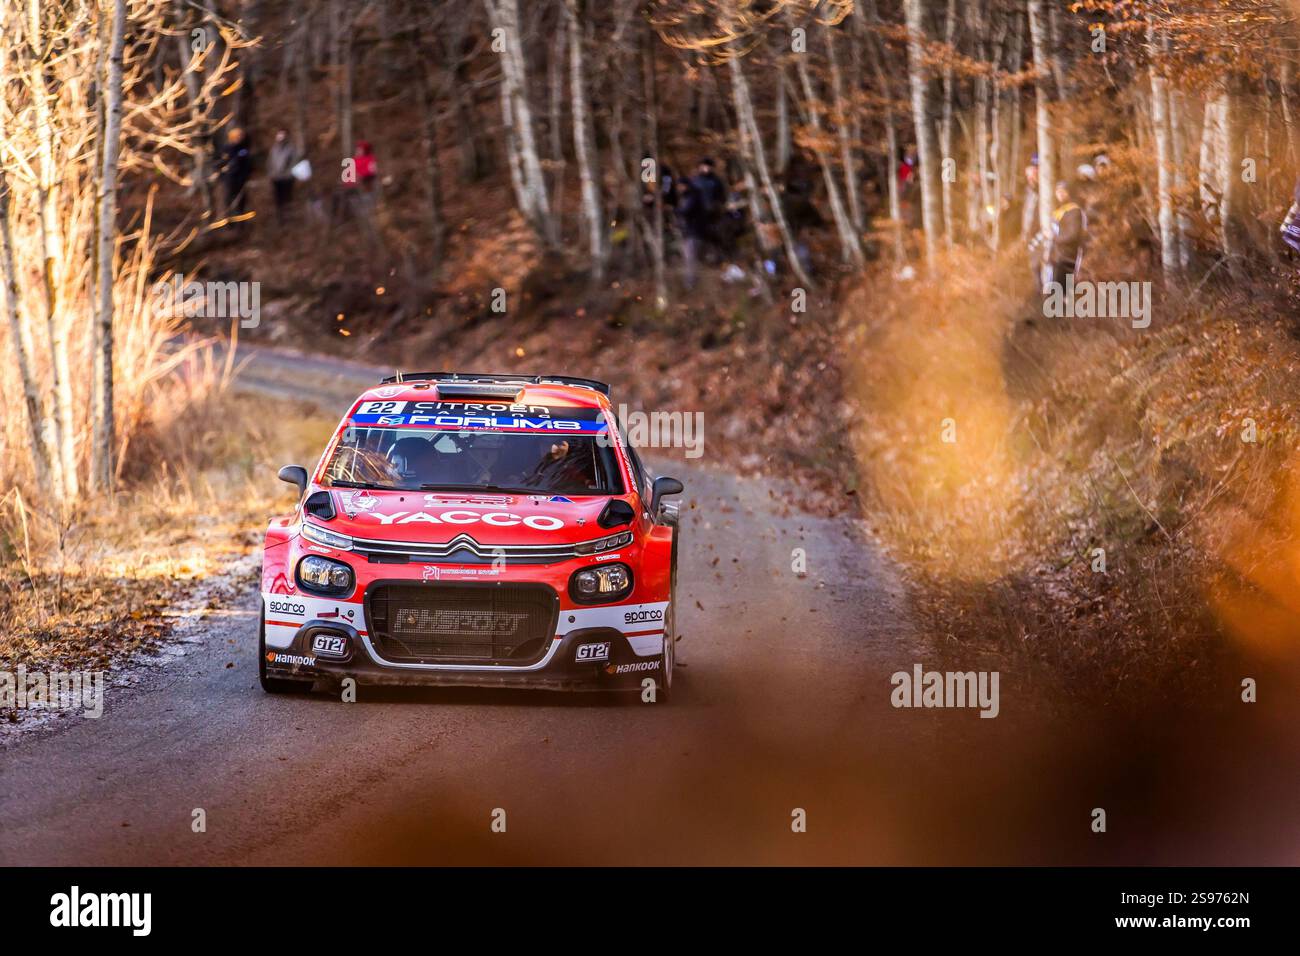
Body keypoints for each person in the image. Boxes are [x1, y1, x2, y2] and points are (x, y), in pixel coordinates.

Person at [1045, 180, 1086, 288]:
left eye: (1063, 191)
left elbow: (1073, 235)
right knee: (1053, 293)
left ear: (1069, 193)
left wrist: (1054, 238)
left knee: (1061, 293)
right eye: (1058, 191)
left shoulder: (1074, 211)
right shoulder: (1059, 211)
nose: (1060, 194)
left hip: (1067, 257)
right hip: (1056, 256)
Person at [674, 176, 709, 290]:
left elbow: (686, 211)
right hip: (688, 232)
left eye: (681, 186)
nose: (679, 188)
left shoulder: (693, 196)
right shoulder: (685, 197)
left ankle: (692, 283)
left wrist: (674, 210)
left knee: (691, 257)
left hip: (694, 232)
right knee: (689, 257)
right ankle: (694, 281)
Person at [218, 127, 253, 217]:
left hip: (241, 180)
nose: (239, 138)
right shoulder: (226, 149)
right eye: (237, 136)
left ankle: (241, 222)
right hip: (228, 180)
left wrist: (245, 176)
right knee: (228, 201)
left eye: (241, 136)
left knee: (241, 202)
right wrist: (223, 176)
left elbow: (248, 165)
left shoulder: (244, 149)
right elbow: (220, 164)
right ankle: (229, 221)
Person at [267, 129, 299, 222]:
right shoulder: (274, 149)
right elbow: (270, 162)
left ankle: (288, 219)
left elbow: (294, 162)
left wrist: (290, 173)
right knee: (278, 200)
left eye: (283, 135)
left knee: (287, 199)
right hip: (276, 178)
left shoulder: (291, 149)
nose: (281, 137)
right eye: (279, 135)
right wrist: (271, 174)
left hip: (287, 178)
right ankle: (280, 219)